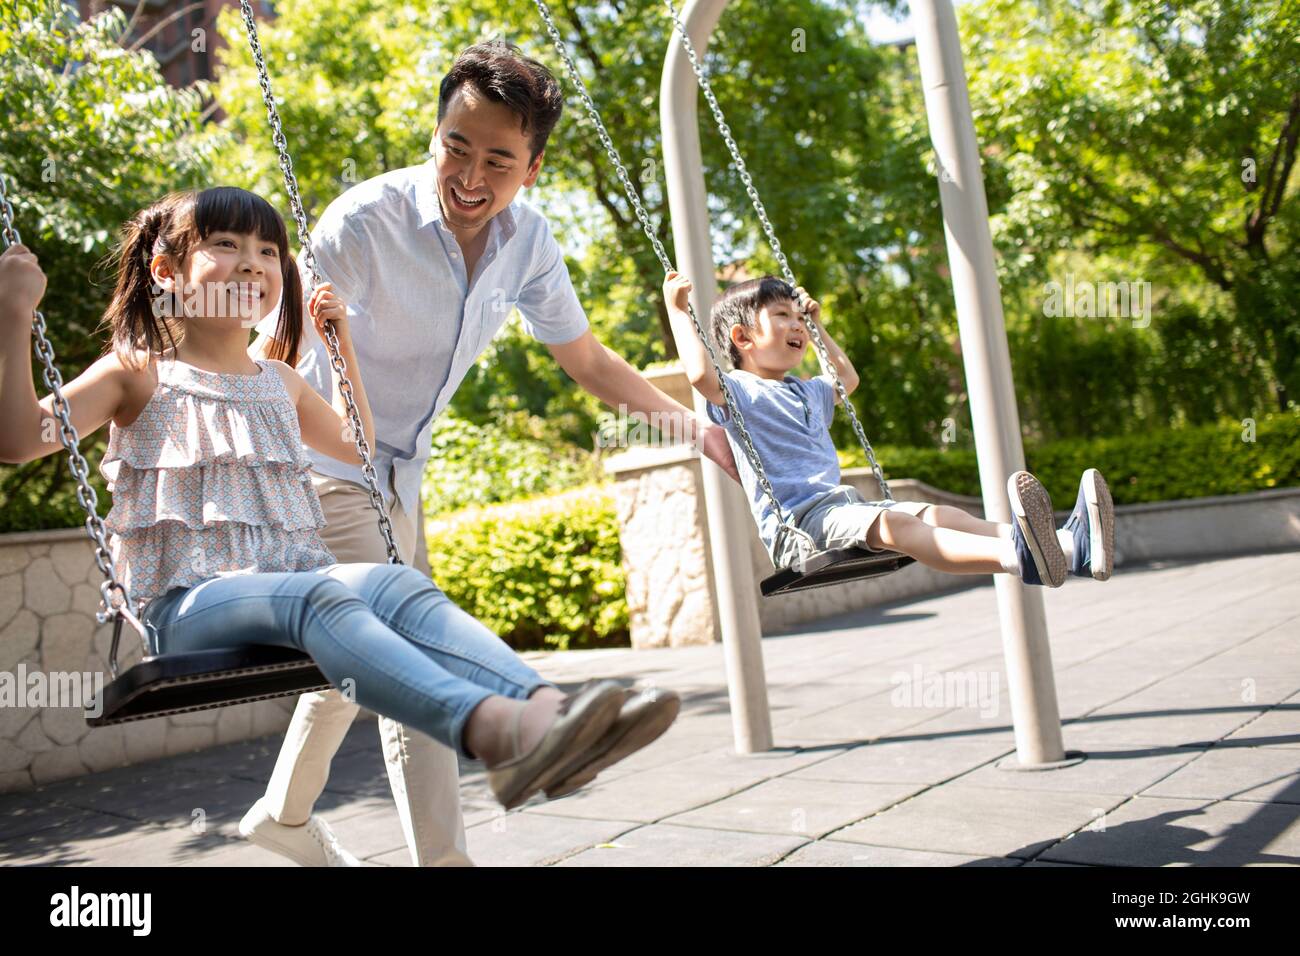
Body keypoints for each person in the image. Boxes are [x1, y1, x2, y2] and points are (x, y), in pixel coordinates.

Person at [0, 187, 675, 835]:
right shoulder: (136, 371)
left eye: (269, 251)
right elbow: (20, 440)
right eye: (227, 244)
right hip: (189, 606)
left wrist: (340, 345)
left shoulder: (280, 381)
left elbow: (357, 450)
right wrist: (14, 314)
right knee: (319, 597)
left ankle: (547, 713)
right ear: (167, 272)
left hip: (285, 596)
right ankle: (496, 733)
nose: (253, 262)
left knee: (396, 580)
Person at [241, 39, 710, 868]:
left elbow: (590, 361)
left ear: (530, 169)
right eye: (456, 146)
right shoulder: (363, 222)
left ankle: (281, 817)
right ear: (435, 137)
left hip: (400, 478)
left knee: (357, 660)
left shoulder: (527, 243)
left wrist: (694, 428)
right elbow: (269, 351)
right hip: (321, 467)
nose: (471, 174)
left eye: (499, 158)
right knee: (404, 651)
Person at [662, 271, 1116, 586]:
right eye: (783, 316)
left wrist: (818, 327)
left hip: (843, 506)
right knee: (897, 525)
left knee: (939, 515)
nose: (795, 324)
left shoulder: (805, 391)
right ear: (742, 339)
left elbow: (846, 380)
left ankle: (1067, 545)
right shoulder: (739, 391)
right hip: (801, 527)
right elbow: (701, 377)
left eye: (798, 317)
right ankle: (1020, 558)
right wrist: (680, 312)